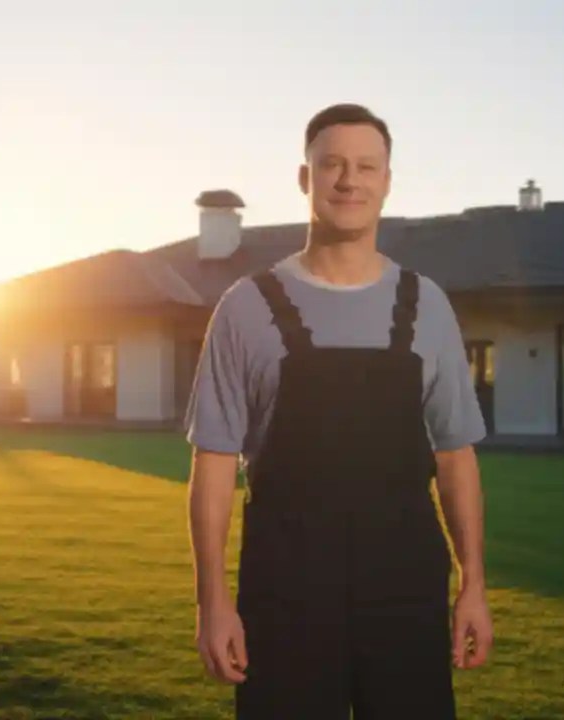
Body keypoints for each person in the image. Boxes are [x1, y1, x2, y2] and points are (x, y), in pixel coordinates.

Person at [186, 103, 493, 719]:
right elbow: (214, 463)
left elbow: (456, 456)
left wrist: (474, 586)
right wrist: (212, 601)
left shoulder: (426, 305)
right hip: (285, 589)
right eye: (331, 165)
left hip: (405, 584)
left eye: (366, 166)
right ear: (306, 179)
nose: (348, 180)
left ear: (386, 180)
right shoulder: (245, 308)